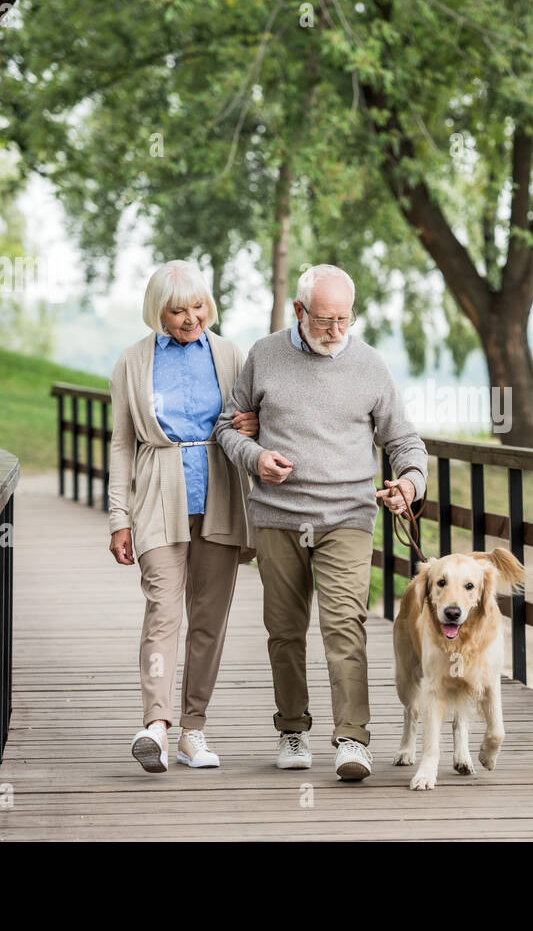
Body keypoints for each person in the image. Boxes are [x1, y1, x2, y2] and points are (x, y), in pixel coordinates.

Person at [214, 263, 427, 781]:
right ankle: (292, 728)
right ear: (299, 311)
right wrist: (255, 457)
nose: (336, 331)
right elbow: (226, 425)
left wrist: (410, 484)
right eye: (325, 320)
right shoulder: (265, 355)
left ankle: (352, 739)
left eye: (345, 320)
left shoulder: (370, 366)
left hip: (347, 516)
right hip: (279, 516)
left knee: (343, 626)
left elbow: (403, 441)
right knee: (284, 630)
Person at [108, 259, 259, 773]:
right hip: (157, 495)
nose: (190, 318)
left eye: (197, 306)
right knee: (162, 613)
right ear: (158, 312)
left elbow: (247, 425)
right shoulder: (133, 362)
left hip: (219, 493)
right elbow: (121, 444)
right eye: (177, 310)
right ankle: (156, 723)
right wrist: (118, 516)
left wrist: (253, 425)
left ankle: (194, 730)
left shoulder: (230, 354)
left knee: (209, 621)